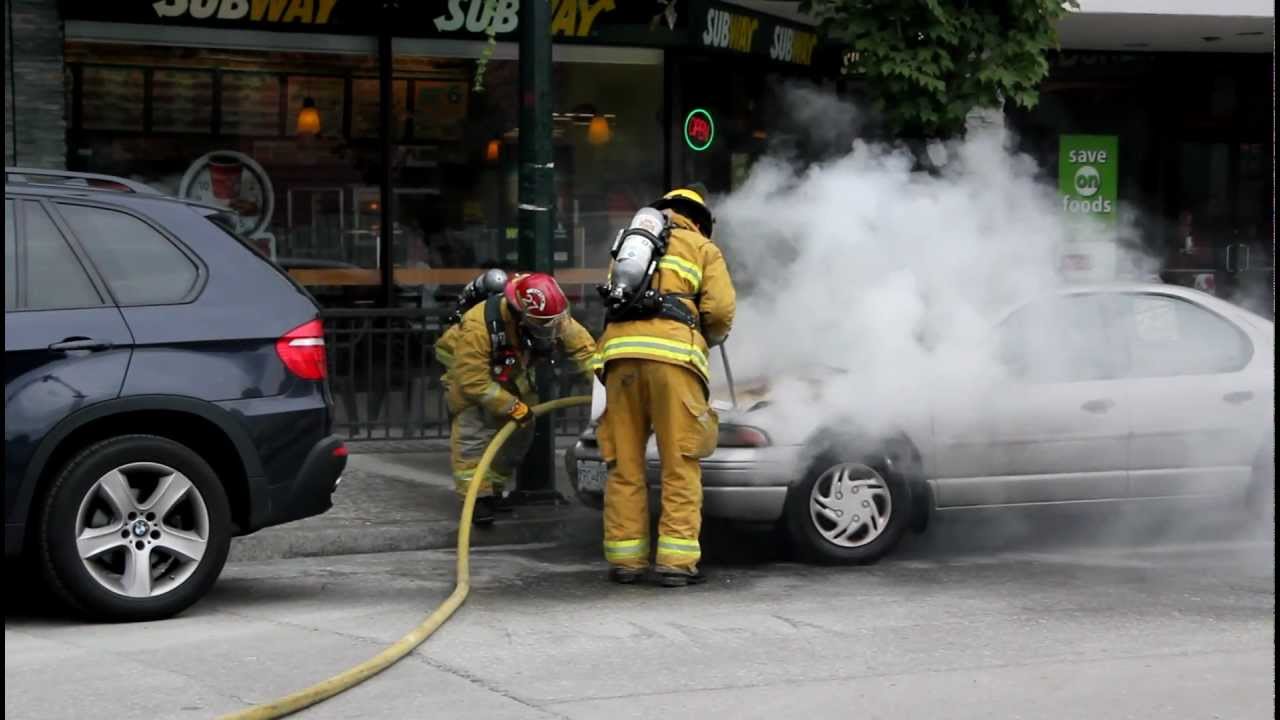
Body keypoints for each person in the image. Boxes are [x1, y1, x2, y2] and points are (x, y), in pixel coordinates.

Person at [593, 185, 736, 587]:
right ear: (700, 219)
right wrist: (706, 335)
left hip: (619, 359)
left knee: (624, 464)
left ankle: (626, 561)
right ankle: (675, 562)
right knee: (679, 463)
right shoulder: (703, 248)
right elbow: (720, 311)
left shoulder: (629, 248)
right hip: (673, 361)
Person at [447, 272, 597, 525]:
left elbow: (585, 352)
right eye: (542, 327)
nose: (551, 331)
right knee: (473, 436)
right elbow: (472, 379)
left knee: (519, 436)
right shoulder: (478, 326)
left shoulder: (552, 316)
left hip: (509, 373)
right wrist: (510, 405)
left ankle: (491, 490)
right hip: (466, 373)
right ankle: (475, 500)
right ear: (520, 315)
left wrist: (605, 385)